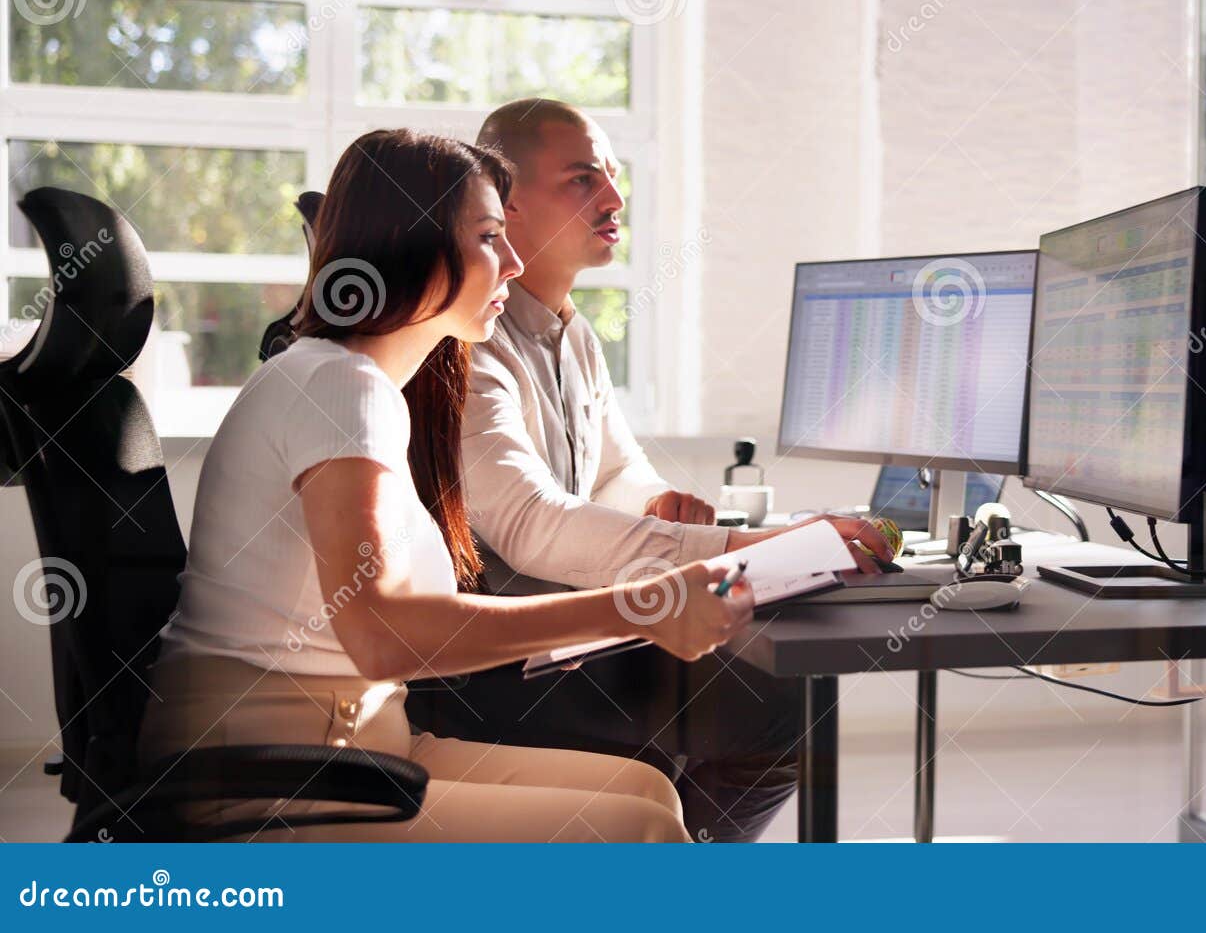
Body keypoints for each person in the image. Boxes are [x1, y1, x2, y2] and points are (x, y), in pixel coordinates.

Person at [140, 129, 755, 842]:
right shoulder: (340, 387)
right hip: (271, 776)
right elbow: (381, 632)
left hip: (361, 741)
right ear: (412, 244)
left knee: (646, 789)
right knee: (632, 831)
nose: (515, 261)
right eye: (491, 237)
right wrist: (638, 607)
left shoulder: (362, 385)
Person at [404, 98, 890, 843]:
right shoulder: (470, 342)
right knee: (761, 699)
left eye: (614, 175)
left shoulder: (573, 333)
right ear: (505, 202)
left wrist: (654, 498)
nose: (614, 198)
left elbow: (608, 475)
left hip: (578, 635)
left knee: (776, 697)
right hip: (502, 666)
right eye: (582, 179)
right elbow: (534, 526)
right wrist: (753, 553)